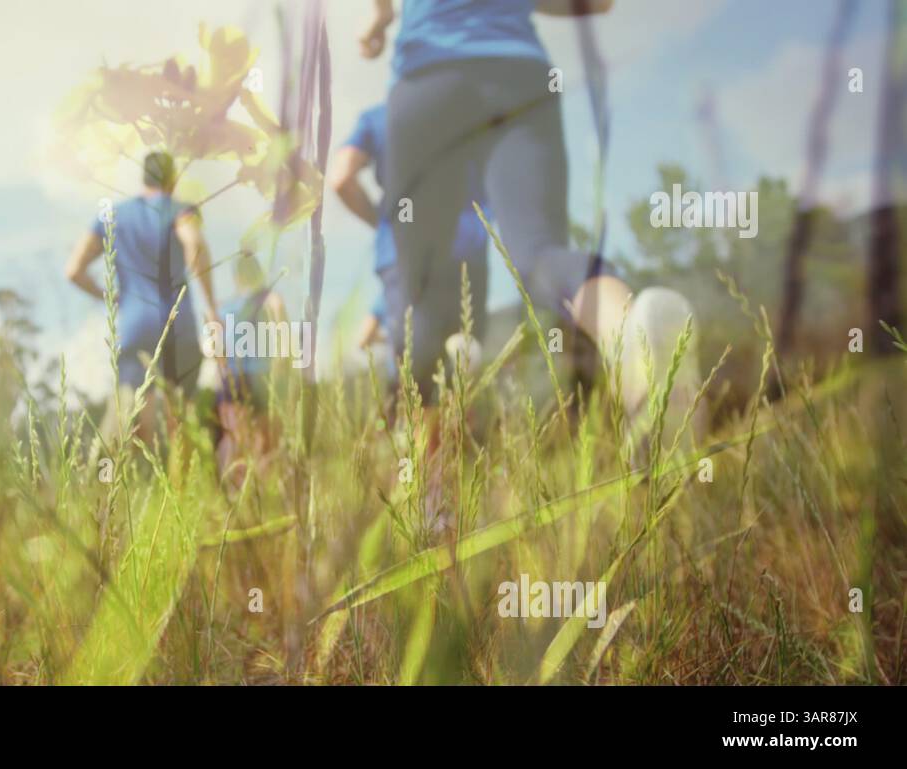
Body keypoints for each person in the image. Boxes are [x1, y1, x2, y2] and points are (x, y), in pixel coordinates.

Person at [360, 0, 703, 449]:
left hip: (429, 79)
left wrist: (381, 19)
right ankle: (633, 336)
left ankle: (428, 482)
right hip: (519, 76)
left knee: (419, 292)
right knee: (540, 253)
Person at [330, 101, 492, 387]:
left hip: (403, 252)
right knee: (466, 365)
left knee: (418, 377)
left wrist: (380, 221)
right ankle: (460, 421)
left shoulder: (379, 117)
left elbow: (341, 178)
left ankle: (421, 423)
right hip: (468, 250)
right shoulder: (474, 115)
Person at [65, 151, 219, 439]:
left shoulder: (115, 215)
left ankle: (106, 479)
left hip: (134, 323)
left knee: (130, 420)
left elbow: (73, 270)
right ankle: (181, 481)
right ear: (173, 179)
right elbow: (194, 244)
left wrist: (110, 298)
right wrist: (211, 306)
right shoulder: (180, 211)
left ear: (143, 178)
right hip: (178, 326)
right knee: (182, 419)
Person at [213, 251, 288, 481]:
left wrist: (220, 382)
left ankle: (232, 490)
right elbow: (283, 342)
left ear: (236, 276)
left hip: (231, 380)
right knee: (266, 441)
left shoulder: (223, 308)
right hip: (262, 378)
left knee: (234, 438)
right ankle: (264, 491)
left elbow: (217, 353)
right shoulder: (271, 299)